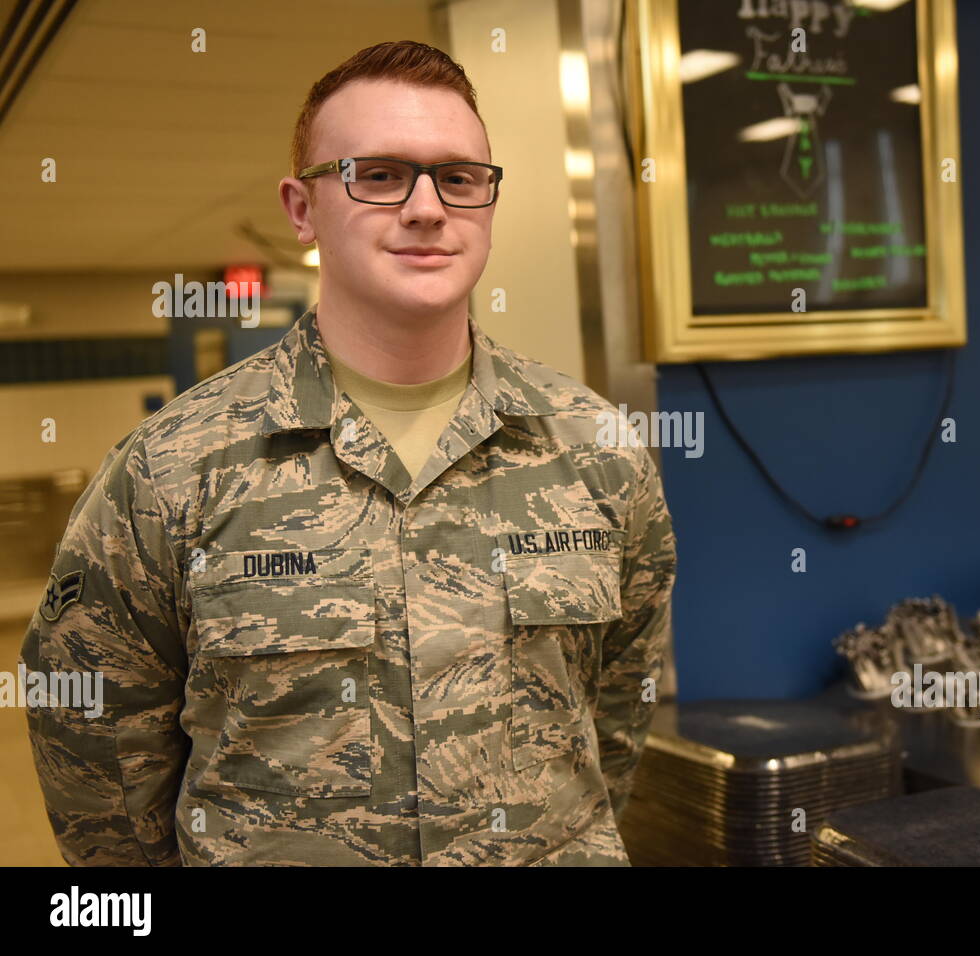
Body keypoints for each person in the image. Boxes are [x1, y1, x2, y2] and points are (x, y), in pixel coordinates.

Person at [20, 40, 676, 866]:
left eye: (459, 178)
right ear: (302, 208)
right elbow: (97, 755)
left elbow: (614, 713)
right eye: (379, 174)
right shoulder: (174, 467)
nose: (428, 207)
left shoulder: (596, 450)